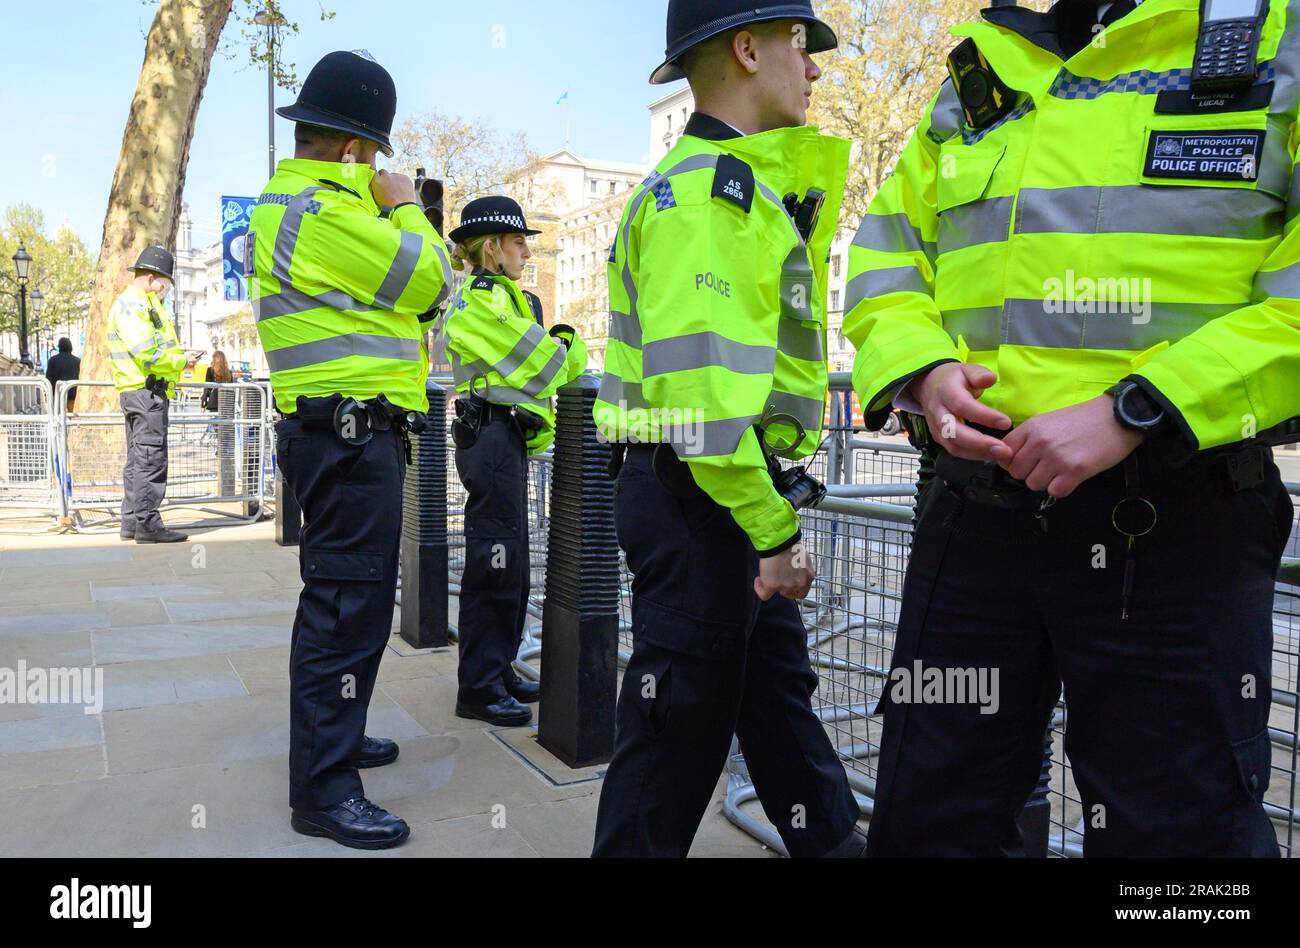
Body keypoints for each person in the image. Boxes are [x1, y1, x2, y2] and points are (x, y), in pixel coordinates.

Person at [846, 0, 1299, 857]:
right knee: (930, 815)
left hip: (1173, 525)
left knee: (1175, 841)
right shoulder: (980, 70)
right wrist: (924, 371)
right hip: (976, 516)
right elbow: (889, 253)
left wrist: (1143, 406)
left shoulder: (1282, 36)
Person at [590, 0, 867, 858]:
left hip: (719, 494)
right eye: (799, 44)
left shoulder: (727, 190)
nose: (814, 67)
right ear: (747, 50)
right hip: (703, 497)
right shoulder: (710, 196)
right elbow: (703, 410)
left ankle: (830, 843)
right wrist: (773, 530)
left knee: (775, 697)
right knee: (674, 731)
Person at [250, 49, 453, 850]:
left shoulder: (324, 210)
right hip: (345, 438)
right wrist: (407, 208)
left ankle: (340, 734)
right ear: (355, 150)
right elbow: (433, 285)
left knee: (357, 606)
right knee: (342, 609)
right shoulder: (315, 211)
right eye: (379, 158)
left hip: (354, 435)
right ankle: (325, 789)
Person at [438, 196, 588, 726]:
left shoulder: (504, 298)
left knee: (512, 563)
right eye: (520, 242)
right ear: (492, 248)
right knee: (494, 564)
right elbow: (545, 365)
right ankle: (478, 687)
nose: (528, 252)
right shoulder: (481, 299)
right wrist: (567, 343)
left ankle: (496, 670)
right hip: (491, 438)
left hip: (504, 439)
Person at [106, 246, 202, 543]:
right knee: (150, 458)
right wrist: (181, 361)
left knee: (138, 458)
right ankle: (148, 524)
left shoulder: (137, 303)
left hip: (138, 391)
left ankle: (132, 520)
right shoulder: (134, 305)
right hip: (146, 392)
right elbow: (147, 353)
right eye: (164, 285)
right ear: (150, 278)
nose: (165, 290)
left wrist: (178, 356)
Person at [44, 337, 81, 411]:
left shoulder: (52, 360)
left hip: (58, 394)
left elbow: (48, 378)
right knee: (72, 416)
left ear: (59, 347)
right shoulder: (77, 361)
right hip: (73, 394)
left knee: (58, 416)